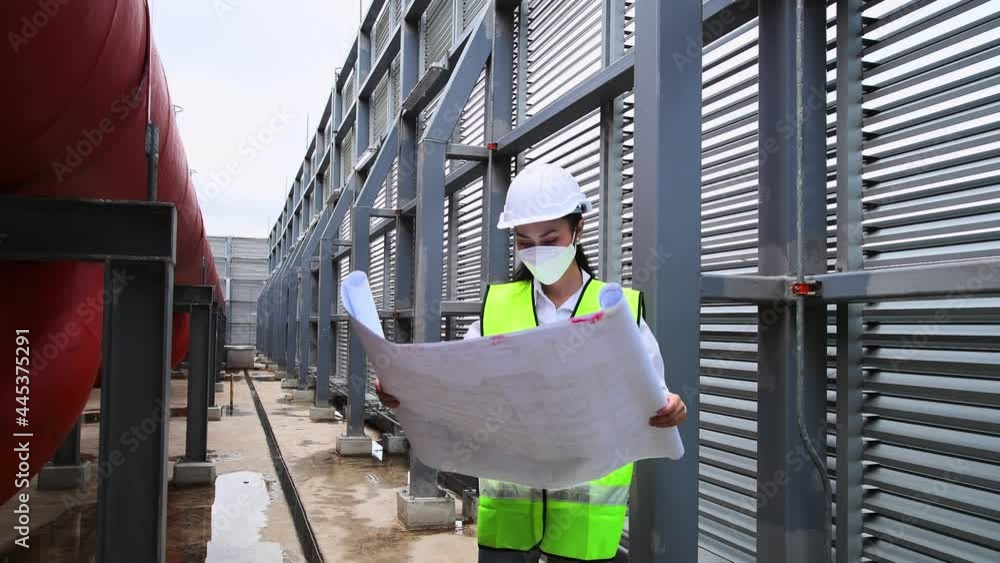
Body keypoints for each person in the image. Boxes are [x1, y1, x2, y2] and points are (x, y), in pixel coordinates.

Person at [375, 162, 687, 562]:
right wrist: (406, 392)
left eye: (550, 237)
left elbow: (656, 397)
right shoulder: (498, 307)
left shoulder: (617, 310)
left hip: (583, 523)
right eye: (525, 240)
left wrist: (672, 407)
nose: (537, 249)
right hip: (510, 517)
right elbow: (452, 381)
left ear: (578, 230)